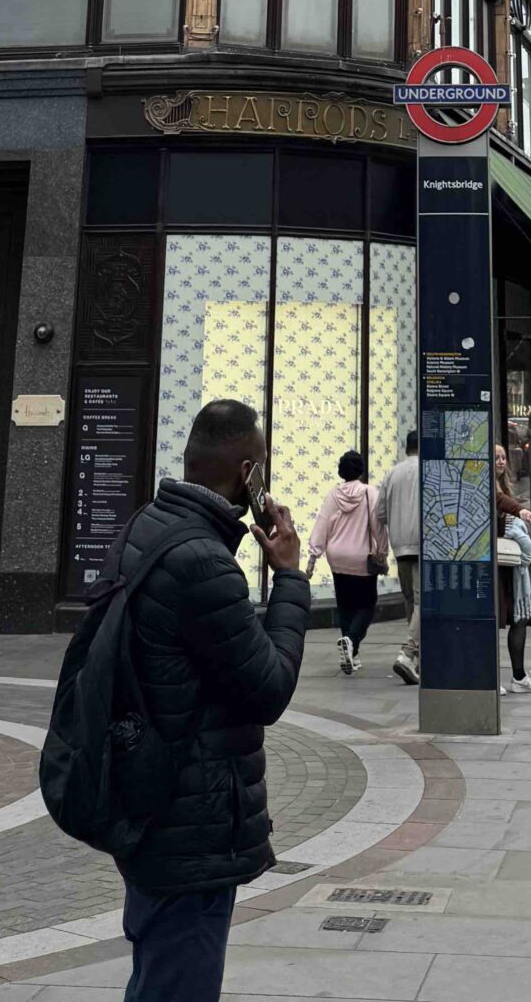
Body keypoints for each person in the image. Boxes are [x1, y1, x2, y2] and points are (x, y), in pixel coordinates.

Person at [113, 397, 309, 1002]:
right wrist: (292, 579)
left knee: (157, 975)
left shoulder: (150, 524)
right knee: (180, 982)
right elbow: (269, 688)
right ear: (248, 473)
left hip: (152, 804)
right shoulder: (206, 564)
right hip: (191, 822)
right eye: (264, 464)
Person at [306, 451, 381, 676]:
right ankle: (351, 641)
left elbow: (322, 525)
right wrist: (383, 551)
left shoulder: (333, 495)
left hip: (337, 557)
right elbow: (379, 527)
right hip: (362, 558)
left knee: (345, 605)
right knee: (367, 605)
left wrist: (312, 557)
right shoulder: (370, 493)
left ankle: (352, 653)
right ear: (361, 469)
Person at [377, 432, 421, 687]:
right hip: (424, 544)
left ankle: (415, 657)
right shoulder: (427, 470)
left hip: (400, 546)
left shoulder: (392, 473)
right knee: (423, 602)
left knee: (410, 601)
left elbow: (380, 513)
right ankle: (408, 652)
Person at [496, 494, 531, 693]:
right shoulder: (490, 488)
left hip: (505, 568)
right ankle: (515, 677)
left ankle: (519, 676)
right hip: (502, 570)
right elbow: (527, 547)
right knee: (507, 620)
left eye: (502, 459)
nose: (500, 461)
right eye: (496, 459)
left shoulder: (503, 492)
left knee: (517, 621)